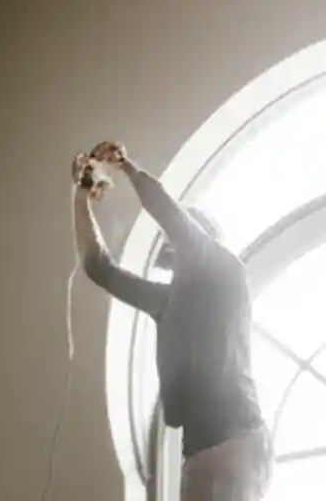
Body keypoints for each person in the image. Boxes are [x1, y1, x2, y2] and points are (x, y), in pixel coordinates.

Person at [72, 140, 273, 501]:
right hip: (198, 452)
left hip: (238, 441)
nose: (171, 246)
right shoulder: (168, 301)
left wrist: (126, 166)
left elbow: (170, 216)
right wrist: (82, 196)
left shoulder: (225, 271)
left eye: (178, 240)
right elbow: (98, 268)